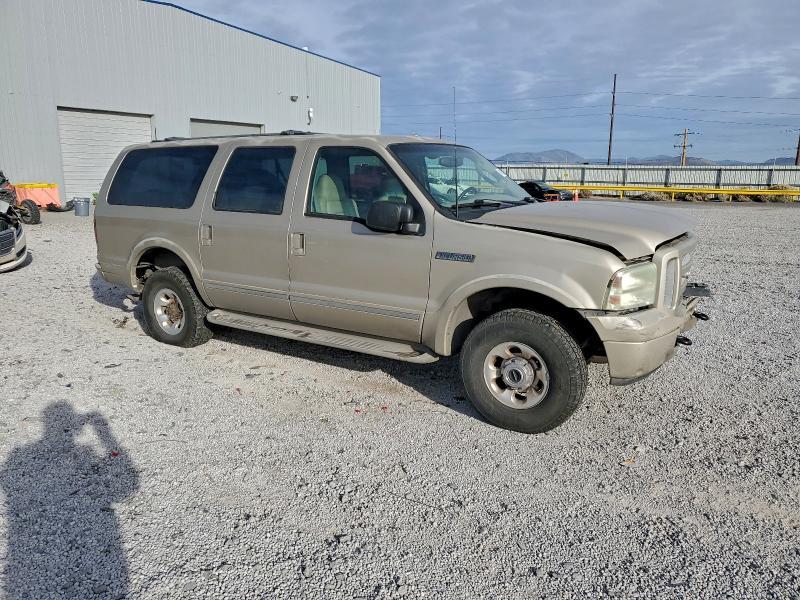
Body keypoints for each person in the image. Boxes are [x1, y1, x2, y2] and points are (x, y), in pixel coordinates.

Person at [0, 402, 138, 599]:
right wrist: (105, 436)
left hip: (21, 562)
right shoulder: (21, 455)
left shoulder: (17, 455)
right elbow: (127, 489)